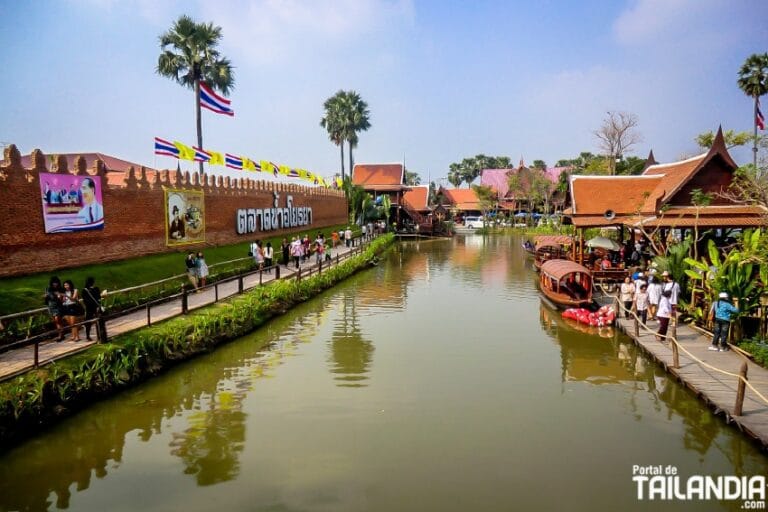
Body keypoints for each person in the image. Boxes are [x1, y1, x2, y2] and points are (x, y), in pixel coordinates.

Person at [82, 277, 106, 342]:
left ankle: (88, 336)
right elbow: (98, 297)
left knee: (89, 322)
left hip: (90, 308)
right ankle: (100, 335)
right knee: (97, 321)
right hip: (95, 307)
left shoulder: (84, 290)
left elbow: (85, 300)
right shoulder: (95, 289)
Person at [44, 276, 65, 341]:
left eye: (56, 283)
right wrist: (45, 296)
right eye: (54, 283)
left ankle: (60, 336)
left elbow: (63, 299)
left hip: (58, 306)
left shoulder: (60, 289)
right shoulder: (48, 289)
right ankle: (61, 334)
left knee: (57, 320)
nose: (55, 284)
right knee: (56, 322)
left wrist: (59, 296)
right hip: (51, 306)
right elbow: (46, 297)